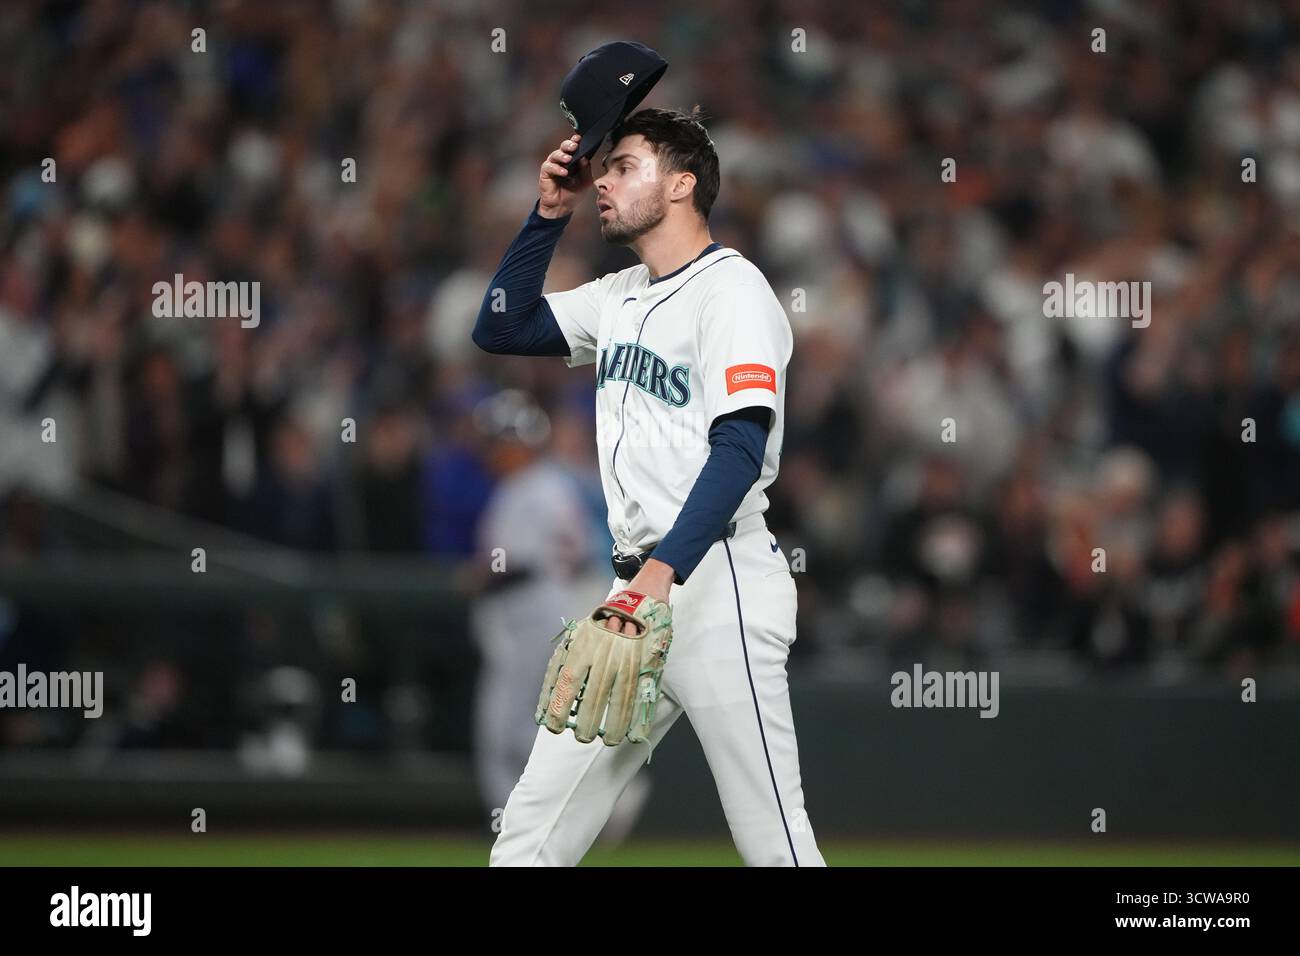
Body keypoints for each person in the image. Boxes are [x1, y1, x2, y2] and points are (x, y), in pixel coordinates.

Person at [472, 106, 825, 866]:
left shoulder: (733, 291)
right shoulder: (620, 295)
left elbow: (739, 447)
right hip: (634, 591)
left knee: (775, 842)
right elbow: (501, 325)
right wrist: (545, 214)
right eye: (604, 167)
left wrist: (662, 576)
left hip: (717, 580)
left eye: (625, 165)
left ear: (682, 183)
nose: (603, 178)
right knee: (529, 831)